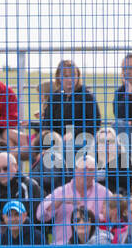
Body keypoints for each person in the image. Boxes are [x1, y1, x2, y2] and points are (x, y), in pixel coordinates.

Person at [31, 59, 104, 187]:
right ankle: (38, 186)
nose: (69, 79)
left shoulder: (87, 96)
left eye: (73, 75)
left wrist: (74, 132)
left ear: (78, 76)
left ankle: (68, 187)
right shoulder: (55, 97)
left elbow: (95, 123)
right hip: (57, 140)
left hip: (82, 138)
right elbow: (48, 123)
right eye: (65, 76)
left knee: (67, 148)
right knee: (36, 148)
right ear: (58, 77)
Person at [35, 157, 116, 245]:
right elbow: (40, 216)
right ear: (75, 171)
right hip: (63, 247)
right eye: (83, 169)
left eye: (91, 170)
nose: (86, 173)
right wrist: (60, 201)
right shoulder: (61, 191)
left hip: (94, 247)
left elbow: (114, 218)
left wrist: (90, 216)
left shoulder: (105, 193)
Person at [0, 151, 43, 241]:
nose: (1, 172)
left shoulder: (29, 186)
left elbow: (34, 220)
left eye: (5, 168)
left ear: (16, 166)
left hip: (27, 239)